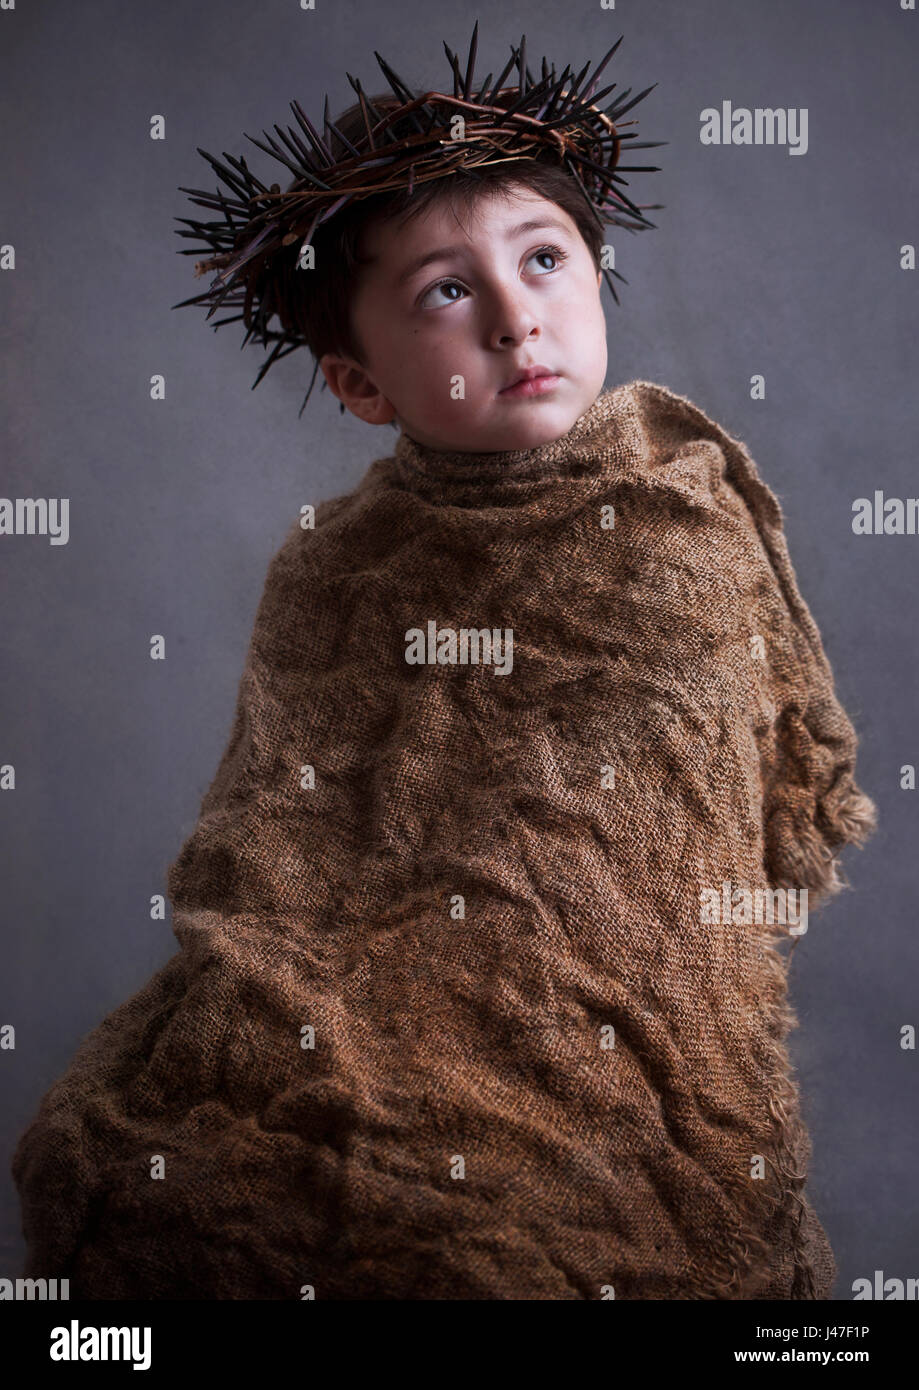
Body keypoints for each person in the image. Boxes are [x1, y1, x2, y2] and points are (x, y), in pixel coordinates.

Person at [12, 25, 876, 1300]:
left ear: (595, 278)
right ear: (361, 384)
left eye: (542, 259)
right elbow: (285, 831)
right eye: (446, 290)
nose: (516, 314)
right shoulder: (334, 566)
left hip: (610, 989)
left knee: (544, 1218)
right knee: (176, 1164)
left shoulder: (674, 525)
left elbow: (671, 828)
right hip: (369, 975)